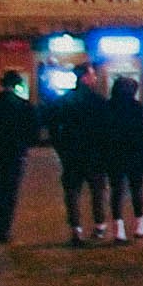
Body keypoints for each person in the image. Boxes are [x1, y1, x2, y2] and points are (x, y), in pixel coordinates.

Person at [49, 69, 114, 243]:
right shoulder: (99, 101)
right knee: (98, 191)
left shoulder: (64, 101)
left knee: (72, 192)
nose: (95, 77)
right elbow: (108, 130)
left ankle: (75, 229)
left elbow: (53, 127)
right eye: (92, 74)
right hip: (95, 156)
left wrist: (61, 148)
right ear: (85, 77)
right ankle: (99, 225)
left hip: (71, 155)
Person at [0, 70, 40, 249]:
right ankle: (4, 228)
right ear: (17, 85)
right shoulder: (24, 106)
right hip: (15, 154)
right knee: (10, 190)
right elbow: (33, 131)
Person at [103, 76, 143, 239]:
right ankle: (140, 224)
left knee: (116, 191)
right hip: (135, 155)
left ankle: (118, 229)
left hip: (114, 155)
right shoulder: (136, 107)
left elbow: (102, 134)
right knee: (136, 189)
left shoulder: (108, 107)